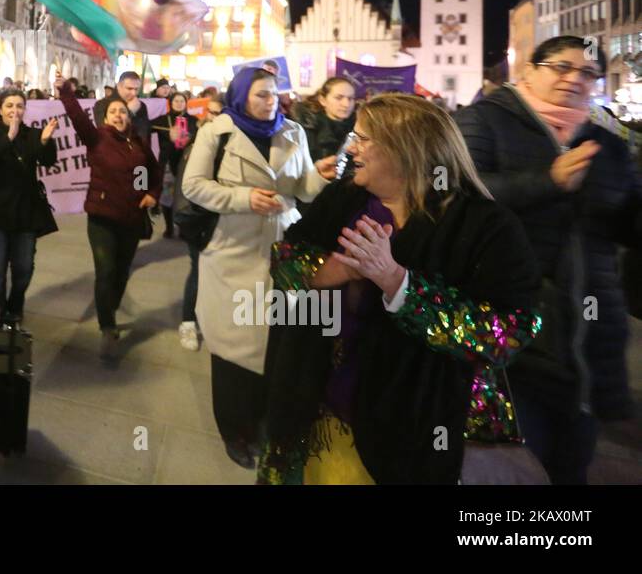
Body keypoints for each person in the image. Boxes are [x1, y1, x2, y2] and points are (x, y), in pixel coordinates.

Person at [259, 94, 542, 484]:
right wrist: (332, 270)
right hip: (311, 406)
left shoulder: (485, 226)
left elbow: (509, 331)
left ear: (406, 151)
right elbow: (286, 255)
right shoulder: (345, 197)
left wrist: (398, 283)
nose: (351, 148)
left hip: (411, 430)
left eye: (363, 138)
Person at [457, 35, 642, 484]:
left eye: (586, 73)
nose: (573, 79)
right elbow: (457, 198)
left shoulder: (605, 142)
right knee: (509, 465)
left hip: (586, 335)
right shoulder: (483, 121)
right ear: (530, 70)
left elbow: (624, 224)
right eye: (561, 67)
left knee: (571, 461)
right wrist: (547, 180)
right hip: (509, 330)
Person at [180, 66, 335, 468]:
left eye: (273, 94)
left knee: (273, 347)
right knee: (232, 349)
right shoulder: (218, 131)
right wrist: (244, 198)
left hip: (281, 254)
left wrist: (318, 176)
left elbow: (299, 188)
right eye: (260, 95)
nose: (270, 102)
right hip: (231, 252)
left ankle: (265, 422)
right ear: (242, 95)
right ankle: (235, 430)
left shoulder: (293, 132)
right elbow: (193, 185)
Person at [57, 74, 162, 352]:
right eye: (113, 112)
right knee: (105, 271)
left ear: (129, 117)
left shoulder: (137, 144)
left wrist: (150, 193)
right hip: (102, 219)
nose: (118, 115)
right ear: (105, 118)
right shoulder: (98, 139)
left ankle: (110, 306)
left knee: (121, 271)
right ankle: (107, 324)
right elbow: (78, 118)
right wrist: (66, 93)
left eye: (122, 112)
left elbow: (150, 172)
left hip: (131, 220)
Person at [0, 89, 59, 327]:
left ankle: (15, 306)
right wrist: (8, 137)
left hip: (25, 213)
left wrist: (44, 141)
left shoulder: (32, 134)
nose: (15, 111)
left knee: (24, 268)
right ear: (0, 109)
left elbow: (48, 160)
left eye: (19, 106)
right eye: (9, 105)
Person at [152, 92, 202, 350]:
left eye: (184, 102)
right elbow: (148, 129)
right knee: (168, 199)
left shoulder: (194, 122)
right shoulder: (163, 119)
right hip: (168, 164)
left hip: (189, 168)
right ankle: (170, 225)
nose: (181, 106)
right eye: (177, 102)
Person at [297, 76, 356, 162]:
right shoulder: (306, 128)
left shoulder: (360, 129)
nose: (346, 104)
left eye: (350, 98)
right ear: (323, 100)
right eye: (339, 98)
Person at [93, 70, 151, 143]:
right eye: (129, 88)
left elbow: (145, 136)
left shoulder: (141, 106)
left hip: (138, 152)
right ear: (119, 86)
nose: (133, 93)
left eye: (136, 89)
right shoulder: (102, 104)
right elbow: (105, 133)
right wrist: (130, 112)